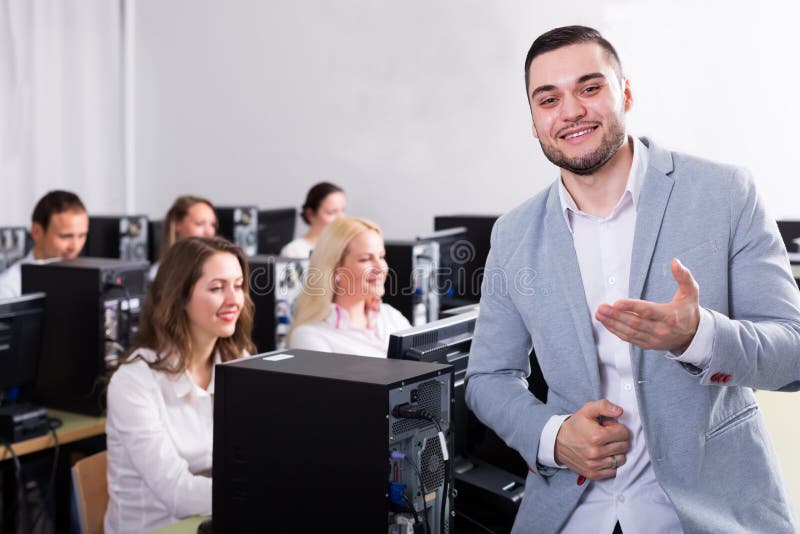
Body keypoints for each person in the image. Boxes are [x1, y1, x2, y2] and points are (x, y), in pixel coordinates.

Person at [465, 25, 800, 534]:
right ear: (534, 122)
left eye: (590, 87)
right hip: (569, 515)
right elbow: (488, 378)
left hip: (709, 512)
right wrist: (553, 437)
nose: (571, 110)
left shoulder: (726, 193)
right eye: (548, 99)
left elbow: (792, 351)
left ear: (625, 91)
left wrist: (698, 338)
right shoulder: (513, 234)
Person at [104, 236, 254, 533]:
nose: (234, 300)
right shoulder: (134, 381)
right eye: (216, 288)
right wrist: (261, 490)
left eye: (238, 286)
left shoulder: (239, 361)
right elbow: (178, 494)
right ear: (179, 297)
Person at [287, 216, 410, 357]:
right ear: (336, 270)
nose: (380, 267)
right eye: (365, 259)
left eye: (381, 256)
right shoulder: (309, 337)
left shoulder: (390, 316)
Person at [0, 190, 89, 298]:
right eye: (65, 236)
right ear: (37, 232)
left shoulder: (88, 281)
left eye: (81, 236)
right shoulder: (10, 288)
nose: (75, 247)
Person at [150, 195, 218, 280]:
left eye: (212, 225)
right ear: (177, 224)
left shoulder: (218, 268)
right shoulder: (157, 273)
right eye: (200, 224)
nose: (209, 232)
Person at [280, 182, 346, 258]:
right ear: (310, 214)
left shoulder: (346, 247)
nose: (341, 218)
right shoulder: (293, 251)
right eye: (331, 212)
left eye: (343, 210)